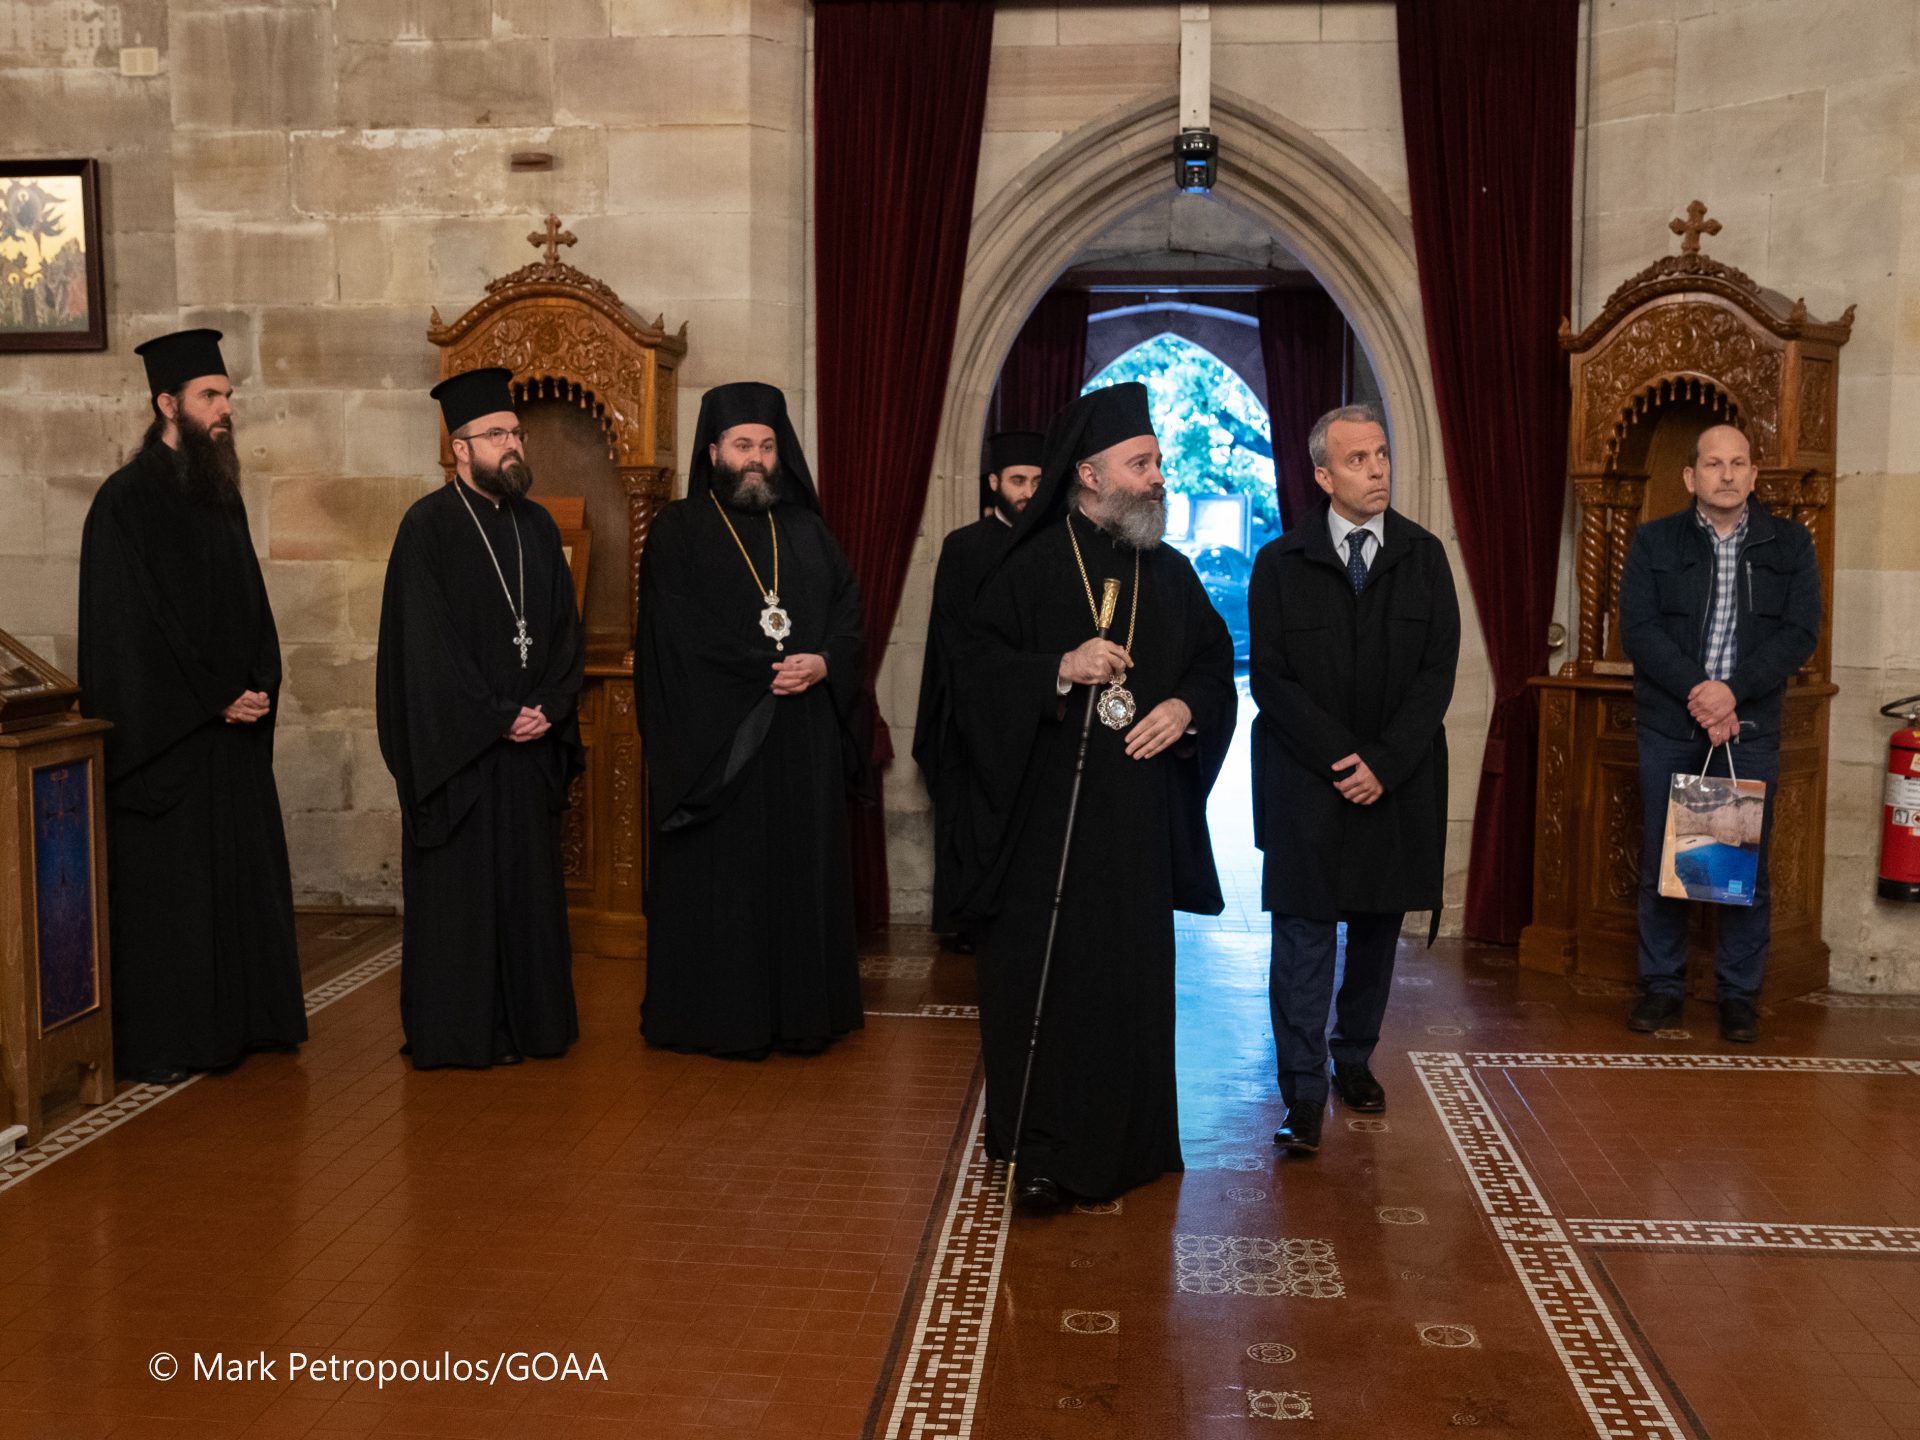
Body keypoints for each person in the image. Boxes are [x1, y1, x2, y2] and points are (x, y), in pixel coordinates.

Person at [956, 382, 1235, 1210]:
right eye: (1141, 464)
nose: (1159, 478)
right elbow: (972, 674)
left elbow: (1213, 666)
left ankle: (1134, 1139)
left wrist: (1185, 708)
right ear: (1088, 474)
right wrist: (1057, 668)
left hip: (1137, 827)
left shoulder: (1172, 574)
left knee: (1128, 983)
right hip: (1046, 824)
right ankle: (1041, 1148)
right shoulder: (1029, 566)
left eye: (1158, 463)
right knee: (1053, 983)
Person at [78, 327, 307, 1084]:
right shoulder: (124, 502)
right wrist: (213, 699)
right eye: (210, 396)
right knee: (175, 901)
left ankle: (249, 1024)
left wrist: (259, 683)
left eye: (228, 395)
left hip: (231, 735)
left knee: (238, 888)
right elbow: (130, 633)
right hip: (172, 743)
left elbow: (251, 605)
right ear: (167, 403)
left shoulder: (220, 494)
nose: (226, 409)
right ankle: (174, 1041)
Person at [1249, 403, 1459, 1156]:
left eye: (1381, 455)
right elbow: (1271, 680)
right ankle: (1303, 1092)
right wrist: (1345, 760)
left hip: (1395, 783)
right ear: (1322, 474)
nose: (1376, 470)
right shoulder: (1280, 563)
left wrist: (1384, 764)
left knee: (1375, 932)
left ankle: (1354, 1058)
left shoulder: (1424, 557)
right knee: (1303, 939)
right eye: (1357, 459)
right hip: (1309, 782)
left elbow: (1436, 676)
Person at [634, 381, 867, 1058]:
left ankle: (803, 1015)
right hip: (723, 744)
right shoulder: (678, 531)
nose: (757, 458)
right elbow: (676, 636)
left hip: (804, 739)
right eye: (743, 445)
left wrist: (822, 662)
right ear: (713, 452)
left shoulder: (807, 530)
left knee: (798, 875)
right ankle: (720, 1018)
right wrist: (766, 670)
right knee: (728, 883)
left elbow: (849, 614)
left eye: (767, 445)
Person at [376, 367, 584, 1070]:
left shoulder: (538, 526)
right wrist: (496, 717)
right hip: (463, 759)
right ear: (460, 449)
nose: (513, 444)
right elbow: (424, 650)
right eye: (497, 435)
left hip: (528, 752)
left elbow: (563, 635)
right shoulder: (426, 528)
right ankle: (463, 1034)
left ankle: (534, 1026)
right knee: (462, 900)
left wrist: (548, 706)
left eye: (516, 433)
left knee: (527, 896)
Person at [1617, 423, 1821, 1043]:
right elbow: (1640, 630)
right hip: (1671, 725)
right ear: (1691, 476)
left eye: (1738, 464)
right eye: (1713, 464)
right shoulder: (1654, 540)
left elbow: (1800, 632)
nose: (1727, 475)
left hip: (1749, 727)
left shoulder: (1790, 543)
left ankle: (1738, 996)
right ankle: (1661, 988)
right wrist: (1703, 696)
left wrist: (1733, 692)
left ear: (1754, 474)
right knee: (1669, 858)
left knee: (1742, 865)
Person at [913, 430, 1045, 952]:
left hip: (1037, 708)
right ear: (994, 483)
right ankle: (969, 926)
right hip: (975, 711)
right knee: (970, 824)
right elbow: (951, 638)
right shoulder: (964, 547)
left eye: (1037, 481)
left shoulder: (1055, 545)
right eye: (1017, 480)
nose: (1028, 492)